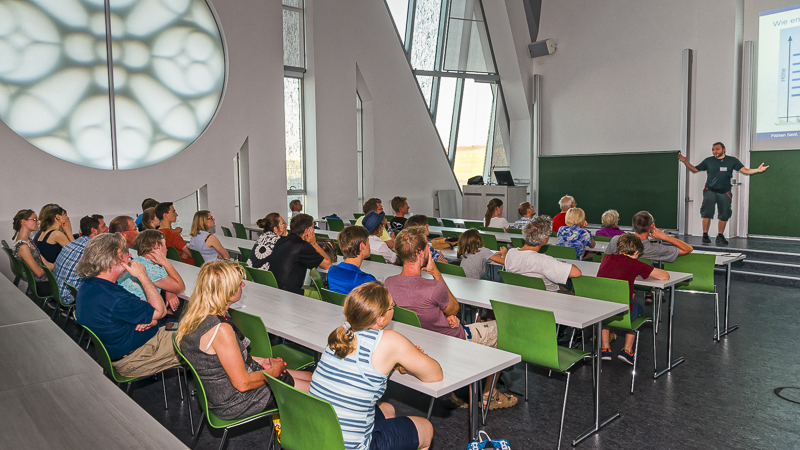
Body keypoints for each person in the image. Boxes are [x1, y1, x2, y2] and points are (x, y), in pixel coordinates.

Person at [384, 228, 517, 409]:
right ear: (420, 253)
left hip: (421, 341)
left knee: (476, 323)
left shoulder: (389, 283)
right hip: (450, 341)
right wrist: (435, 272)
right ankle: (489, 394)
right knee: (504, 328)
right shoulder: (433, 287)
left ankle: (457, 390)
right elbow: (455, 308)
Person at [309, 282, 441, 450]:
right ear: (380, 319)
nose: (394, 309)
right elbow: (435, 374)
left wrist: (397, 362)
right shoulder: (390, 340)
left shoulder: (339, 337)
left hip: (317, 436)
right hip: (351, 447)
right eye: (392, 306)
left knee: (387, 409)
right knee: (426, 428)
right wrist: (404, 356)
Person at [177, 261, 313, 420]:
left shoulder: (199, 315)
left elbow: (225, 358)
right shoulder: (220, 329)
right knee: (317, 390)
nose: (242, 285)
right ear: (226, 291)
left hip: (221, 391)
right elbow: (242, 384)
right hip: (236, 401)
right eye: (238, 283)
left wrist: (263, 361)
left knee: (310, 376)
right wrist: (273, 372)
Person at [75, 233, 179, 378]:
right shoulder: (114, 298)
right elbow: (160, 312)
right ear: (112, 260)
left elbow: (144, 307)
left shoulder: (90, 284)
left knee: (184, 326)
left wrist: (151, 319)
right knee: (203, 335)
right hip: (138, 357)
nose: (129, 255)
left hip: (127, 348)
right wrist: (143, 275)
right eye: (124, 253)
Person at [597, 233, 669, 364]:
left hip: (601, 312)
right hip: (623, 314)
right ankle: (627, 350)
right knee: (637, 307)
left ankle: (605, 348)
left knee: (606, 303)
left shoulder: (607, 258)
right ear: (636, 252)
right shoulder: (636, 265)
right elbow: (664, 276)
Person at [678, 142, 769, 244]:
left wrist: (757, 170)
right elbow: (695, 169)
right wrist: (685, 162)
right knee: (707, 213)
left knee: (724, 213)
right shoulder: (709, 161)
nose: (714, 151)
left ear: (723, 149)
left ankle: (720, 236)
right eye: (713, 149)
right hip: (710, 190)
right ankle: (705, 235)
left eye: (717, 149)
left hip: (725, 191)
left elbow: (745, 171)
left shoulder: (731, 160)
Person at [504, 216, 582, 293]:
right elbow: (576, 273)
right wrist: (555, 264)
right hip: (546, 298)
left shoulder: (511, 253)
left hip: (519, 294)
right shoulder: (544, 260)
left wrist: (555, 264)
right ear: (544, 240)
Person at [117, 230, 186, 315]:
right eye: (164, 245)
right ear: (157, 246)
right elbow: (180, 288)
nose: (167, 249)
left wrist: (169, 290)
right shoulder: (152, 269)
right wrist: (166, 262)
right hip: (136, 313)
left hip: (123, 309)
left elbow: (162, 278)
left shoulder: (138, 261)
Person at [264, 214, 332, 294]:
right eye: (312, 228)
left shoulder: (281, 241)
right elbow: (328, 265)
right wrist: (313, 243)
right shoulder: (303, 246)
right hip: (291, 294)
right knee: (324, 295)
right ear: (307, 231)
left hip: (275, 289)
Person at [53, 215, 107, 304]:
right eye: (103, 226)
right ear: (94, 230)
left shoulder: (75, 242)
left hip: (58, 292)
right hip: (69, 297)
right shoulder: (92, 249)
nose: (107, 228)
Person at [605, 211, 693, 263]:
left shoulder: (616, 240)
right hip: (643, 280)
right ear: (652, 226)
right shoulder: (655, 249)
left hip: (620, 281)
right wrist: (665, 237)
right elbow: (688, 249)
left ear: (633, 225)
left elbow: (605, 260)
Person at [11, 209, 51, 295]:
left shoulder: (28, 240)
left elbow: (44, 262)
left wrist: (53, 265)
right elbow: (39, 273)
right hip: (42, 285)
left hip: (44, 281)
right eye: (34, 220)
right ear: (23, 222)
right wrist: (55, 267)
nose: (38, 223)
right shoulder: (23, 246)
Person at [328, 225, 377, 294]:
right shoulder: (367, 280)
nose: (369, 246)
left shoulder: (332, 271)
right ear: (361, 246)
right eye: (368, 242)